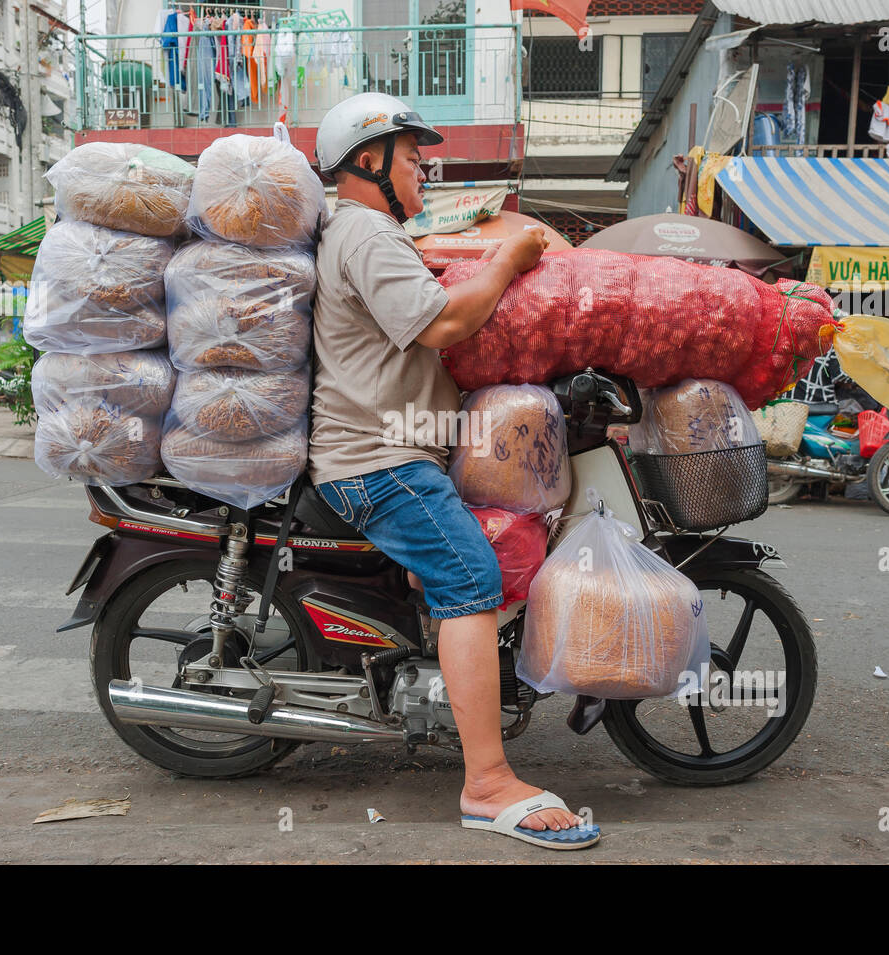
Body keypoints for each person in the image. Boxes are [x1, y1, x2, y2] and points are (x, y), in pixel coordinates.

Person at [308, 92, 600, 849]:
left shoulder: (368, 233)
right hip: (379, 458)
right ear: (368, 161)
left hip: (394, 447)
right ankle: (487, 784)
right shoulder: (367, 232)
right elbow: (442, 320)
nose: (424, 170)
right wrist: (506, 258)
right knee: (470, 576)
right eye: (412, 157)